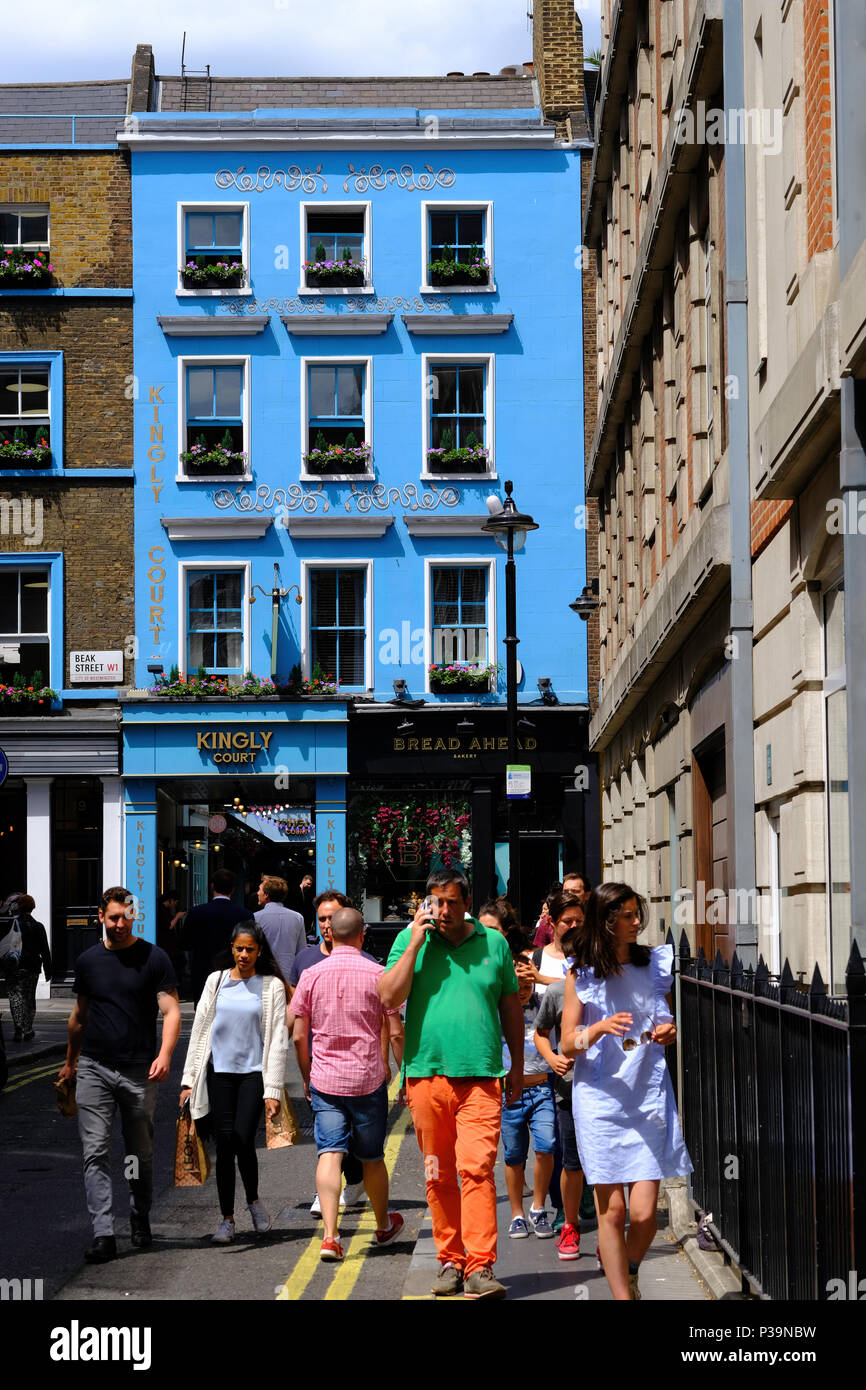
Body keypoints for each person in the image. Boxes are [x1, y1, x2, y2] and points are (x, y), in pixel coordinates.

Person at [379, 868, 523, 1300]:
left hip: (480, 1077)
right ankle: (450, 1261)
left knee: (477, 1170)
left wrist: (516, 1065)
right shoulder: (410, 941)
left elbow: (511, 1006)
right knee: (438, 1175)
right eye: (436, 902)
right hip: (426, 1077)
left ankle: (480, 1266)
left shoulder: (493, 943)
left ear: (466, 904)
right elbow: (388, 997)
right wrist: (414, 946)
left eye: (452, 902)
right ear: (426, 903)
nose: (443, 911)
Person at [561, 882, 692, 1300]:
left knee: (645, 1215)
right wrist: (596, 1029)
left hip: (646, 1093)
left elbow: (664, 1021)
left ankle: (628, 1266)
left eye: (639, 914)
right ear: (607, 920)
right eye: (628, 916)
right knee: (612, 1210)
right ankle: (621, 1295)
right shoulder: (580, 972)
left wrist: (668, 1032)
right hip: (600, 1099)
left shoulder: (653, 964)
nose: (638, 923)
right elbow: (566, 1043)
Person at [57, 886, 181, 1264]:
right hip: (95, 1067)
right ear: (100, 917)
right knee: (95, 1151)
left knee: (138, 1153)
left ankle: (139, 1215)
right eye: (113, 917)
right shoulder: (89, 961)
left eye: (127, 916)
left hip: (138, 1071)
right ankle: (103, 1233)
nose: (121, 923)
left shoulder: (154, 958)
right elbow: (79, 1017)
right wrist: (70, 1061)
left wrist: (164, 1054)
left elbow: (172, 1011)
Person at [289, 907, 404, 1261]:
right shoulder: (378, 973)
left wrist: (307, 1077)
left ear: (330, 934)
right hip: (368, 1080)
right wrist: (405, 1073)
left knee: (330, 1153)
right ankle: (383, 1224)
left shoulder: (311, 975)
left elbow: (297, 1035)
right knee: (371, 1157)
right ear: (362, 934)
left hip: (326, 1079)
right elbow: (396, 1031)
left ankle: (330, 1236)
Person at [180, 920, 288, 1245]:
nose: (243, 955)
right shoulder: (216, 981)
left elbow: (278, 1040)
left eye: (250, 950)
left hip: (253, 1074)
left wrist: (273, 1091)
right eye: (238, 949)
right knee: (224, 1144)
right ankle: (227, 1219)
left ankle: (253, 1201)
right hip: (218, 1074)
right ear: (231, 948)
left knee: (242, 1138)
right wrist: (188, 1080)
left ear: (259, 951)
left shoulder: (271, 986)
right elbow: (199, 1033)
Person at [533, 917, 586, 1263]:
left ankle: (609, 1230)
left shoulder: (611, 988)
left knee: (604, 1167)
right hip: (568, 1091)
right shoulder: (556, 992)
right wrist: (552, 1057)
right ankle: (569, 1223)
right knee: (572, 1163)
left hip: (607, 1090)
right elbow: (540, 1031)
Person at [501, 943, 557, 1242]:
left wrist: (541, 977)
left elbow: (574, 989)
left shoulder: (543, 1003)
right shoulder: (498, 1006)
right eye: (517, 985)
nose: (523, 991)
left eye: (527, 984)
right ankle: (517, 1214)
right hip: (509, 1095)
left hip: (541, 1089)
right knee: (513, 1157)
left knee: (546, 1146)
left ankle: (538, 1207)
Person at [181, 868, 254, 1004]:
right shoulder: (245, 915)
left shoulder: (197, 912)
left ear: (212, 886)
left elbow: (185, 943)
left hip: (203, 971)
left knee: (204, 1017)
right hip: (235, 973)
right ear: (233, 889)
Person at [4, 893, 51, 1041]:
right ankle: (28, 1029)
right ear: (32, 907)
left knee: (15, 997)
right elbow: (45, 950)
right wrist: (49, 970)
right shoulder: (38, 926)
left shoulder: (11, 925)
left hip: (14, 967)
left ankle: (18, 1029)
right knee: (29, 999)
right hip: (32, 967)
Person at [528, 890, 584, 997]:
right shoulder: (535, 960)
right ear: (551, 921)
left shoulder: (594, 958)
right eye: (568, 921)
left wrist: (542, 979)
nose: (574, 926)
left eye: (579, 921)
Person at [254, 874, 305, 981]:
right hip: (290, 977)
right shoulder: (298, 918)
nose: (257, 893)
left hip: (262, 977)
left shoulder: (256, 918)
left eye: (259, 890)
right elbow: (301, 952)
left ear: (266, 895)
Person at [533, 871, 591, 948]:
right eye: (566, 891)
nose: (569, 894)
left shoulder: (595, 921)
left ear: (587, 895)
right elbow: (538, 953)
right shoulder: (548, 922)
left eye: (575, 891)